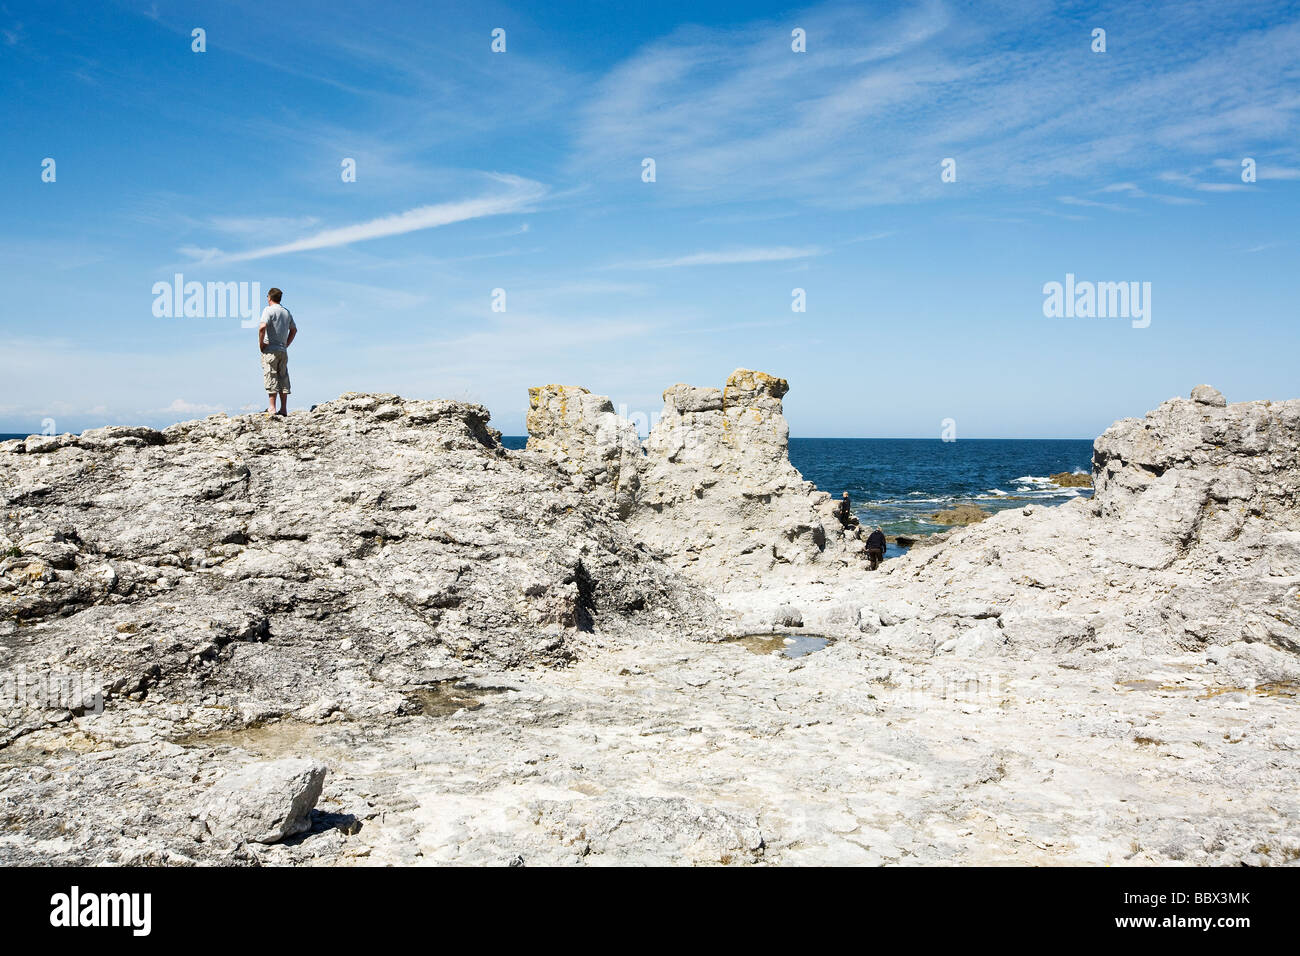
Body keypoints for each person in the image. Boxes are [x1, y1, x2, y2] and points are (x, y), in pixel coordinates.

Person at [258, 288, 297, 416]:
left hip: (270, 349)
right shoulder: (286, 312)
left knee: (271, 376)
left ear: (269, 297)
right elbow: (294, 330)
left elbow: (262, 327)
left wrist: (261, 343)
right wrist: (286, 344)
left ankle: (272, 408)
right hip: (282, 350)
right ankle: (284, 409)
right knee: (283, 377)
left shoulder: (268, 310)